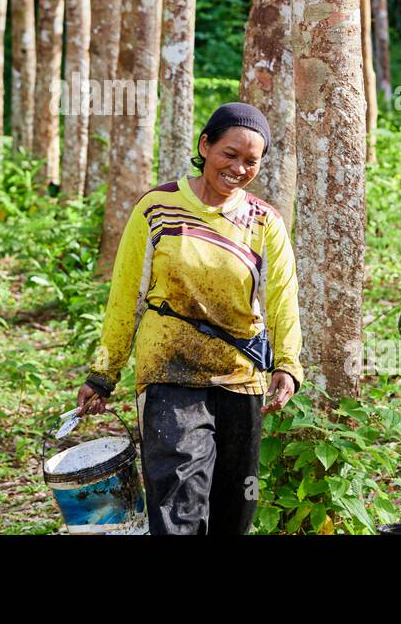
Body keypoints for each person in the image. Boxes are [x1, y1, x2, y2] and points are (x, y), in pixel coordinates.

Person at [75, 102, 304, 535]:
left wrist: (288, 365)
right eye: (229, 154)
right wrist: (103, 373)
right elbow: (125, 296)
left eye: (251, 161)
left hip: (241, 378)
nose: (238, 168)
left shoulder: (264, 222)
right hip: (169, 375)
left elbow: (282, 299)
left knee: (235, 507)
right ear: (205, 145)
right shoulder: (157, 208)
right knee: (178, 504)